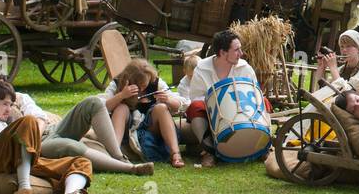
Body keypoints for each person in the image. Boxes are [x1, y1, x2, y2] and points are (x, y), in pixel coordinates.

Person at [0, 67, 148, 175]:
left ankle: (118, 156)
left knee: (92, 102)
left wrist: (37, 128)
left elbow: (39, 116)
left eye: (10, 102)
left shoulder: (19, 97)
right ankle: (129, 168)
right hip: (33, 145)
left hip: (47, 131)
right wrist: (31, 134)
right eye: (4, 103)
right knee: (71, 146)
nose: (8, 107)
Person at [0, 80, 103, 194]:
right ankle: (24, 191)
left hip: (17, 161)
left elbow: (18, 145)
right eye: (5, 104)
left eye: (10, 105)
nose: (8, 110)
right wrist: (23, 130)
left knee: (81, 162)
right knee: (29, 121)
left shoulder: (2, 123)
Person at [180, 29, 260, 167]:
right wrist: (219, 104)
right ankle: (208, 151)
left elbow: (255, 93)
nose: (241, 54)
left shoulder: (244, 67)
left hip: (242, 112)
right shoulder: (202, 68)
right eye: (236, 50)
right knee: (195, 107)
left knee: (263, 102)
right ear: (222, 53)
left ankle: (262, 145)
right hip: (212, 115)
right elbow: (196, 97)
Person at [103, 58, 186, 168]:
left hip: (150, 128)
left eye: (144, 84)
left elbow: (179, 105)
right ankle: (115, 153)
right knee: (121, 108)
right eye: (139, 85)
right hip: (127, 129)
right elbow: (102, 108)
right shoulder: (117, 83)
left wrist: (168, 100)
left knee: (161, 108)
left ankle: (175, 154)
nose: (142, 88)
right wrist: (122, 95)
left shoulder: (156, 82)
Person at [312, 29, 359, 101]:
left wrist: (333, 67)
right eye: (342, 46)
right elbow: (327, 91)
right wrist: (321, 66)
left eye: (348, 46)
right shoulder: (342, 69)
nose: (344, 50)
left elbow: (346, 94)